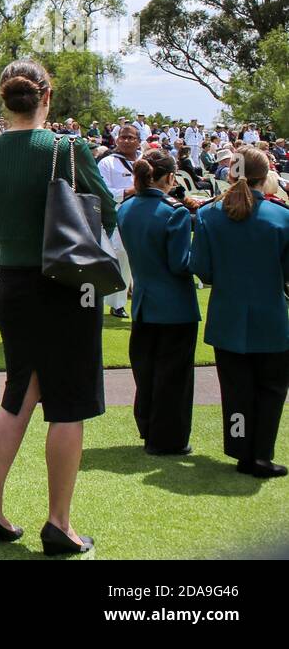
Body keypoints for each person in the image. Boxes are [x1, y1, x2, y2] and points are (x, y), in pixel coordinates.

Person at [0, 60, 115, 556]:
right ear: (46, 96)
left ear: (5, 99)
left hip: (13, 284)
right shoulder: (68, 148)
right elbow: (105, 210)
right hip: (66, 282)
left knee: (20, 393)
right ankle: (59, 522)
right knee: (69, 401)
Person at [190, 148, 289, 478]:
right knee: (271, 389)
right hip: (271, 316)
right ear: (267, 173)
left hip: (227, 315)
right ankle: (260, 455)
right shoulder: (282, 217)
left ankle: (240, 449)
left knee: (236, 390)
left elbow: (202, 269)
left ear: (230, 173)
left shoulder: (208, 215)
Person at [116, 149, 199, 456]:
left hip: (143, 303)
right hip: (174, 306)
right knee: (173, 376)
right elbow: (180, 263)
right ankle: (168, 439)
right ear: (169, 178)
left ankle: (149, 427)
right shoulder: (174, 212)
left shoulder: (126, 208)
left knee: (147, 372)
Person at [98, 123, 140, 319]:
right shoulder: (108, 163)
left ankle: (141, 300)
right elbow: (104, 191)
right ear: (117, 139)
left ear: (139, 141)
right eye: (123, 137)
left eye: (131, 137)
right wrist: (130, 191)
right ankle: (117, 304)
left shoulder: (145, 161)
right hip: (119, 216)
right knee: (121, 256)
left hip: (144, 215)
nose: (127, 140)